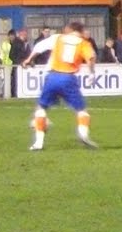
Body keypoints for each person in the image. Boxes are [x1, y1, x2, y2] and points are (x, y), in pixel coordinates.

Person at [22, 20, 99, 150]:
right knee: (81, 110)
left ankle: (38, 143)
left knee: (41, 108)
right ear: (80, 31)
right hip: (68, 78)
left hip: (52, 77)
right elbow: (91, 57)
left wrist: (28, 59)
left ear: (70, 29)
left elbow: (39, 47)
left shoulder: (58, 38)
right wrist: (92, 73)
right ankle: (83, 135)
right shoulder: (84, 43)